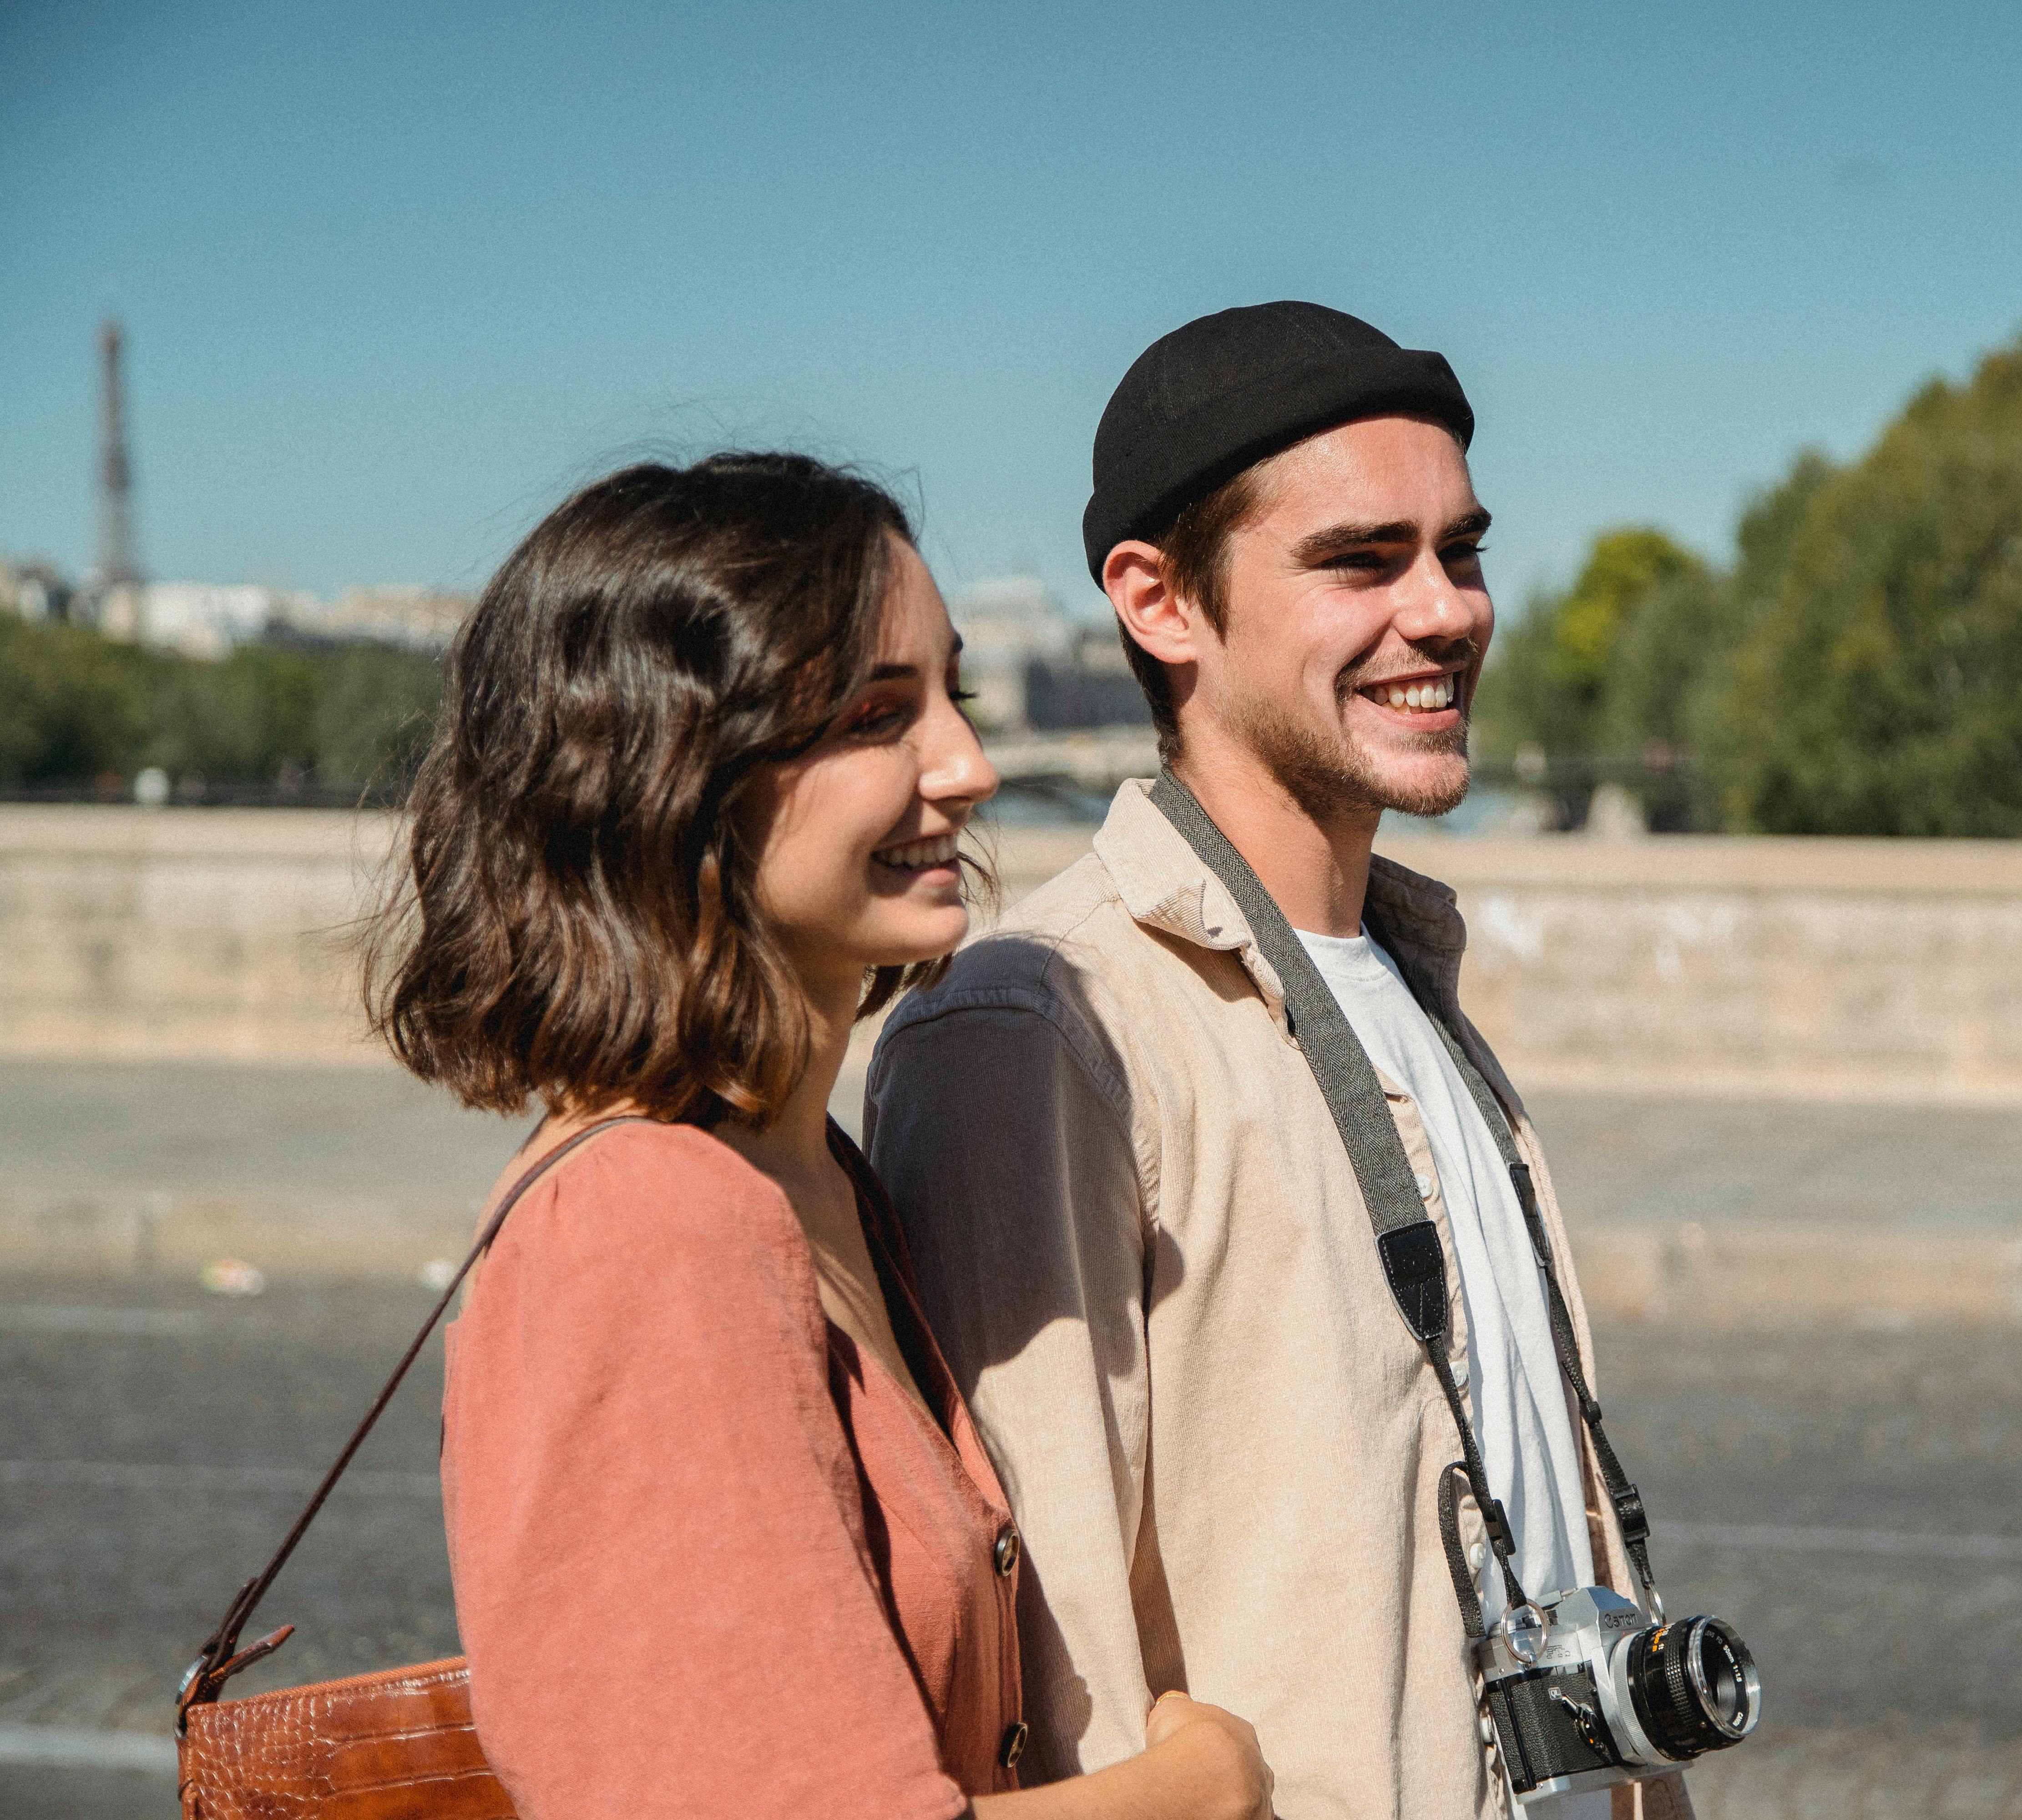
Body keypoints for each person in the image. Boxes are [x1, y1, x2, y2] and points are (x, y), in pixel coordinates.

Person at [865, 306, 1691, 1819]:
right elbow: (1054, 1677)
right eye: (1362, 562)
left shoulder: (1413, 984)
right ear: (1160, 603)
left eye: (1463, 551)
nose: (1446, 613)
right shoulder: (1043, 1032)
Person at [367, 452, 1274, 1820]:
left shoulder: (814, 1181)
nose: (968, 766)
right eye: (875, 713)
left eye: (951, 696)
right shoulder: (656, 1223)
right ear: (674, 774)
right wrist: (1199, 1791)